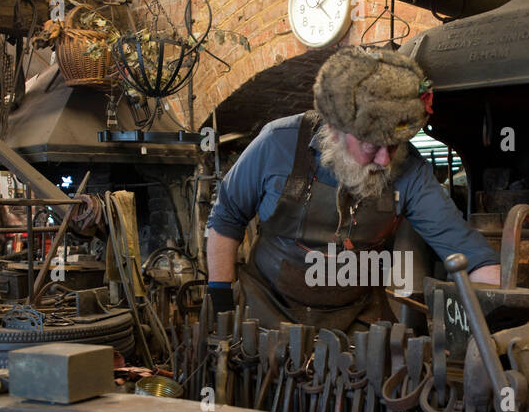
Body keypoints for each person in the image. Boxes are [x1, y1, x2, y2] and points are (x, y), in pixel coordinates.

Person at [205, 46, 501, 330]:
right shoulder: (277, 144)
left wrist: (502, 315)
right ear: (334, 130)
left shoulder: (411, 172)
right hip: (265, 310)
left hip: (355, 321)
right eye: (372, 146)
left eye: (394, 145)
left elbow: (470, 255)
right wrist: (222, 308)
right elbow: (227, 216)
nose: (385, 160)